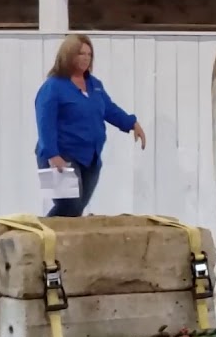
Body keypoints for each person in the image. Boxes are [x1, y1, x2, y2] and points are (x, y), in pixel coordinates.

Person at [34, 33, 147, 217]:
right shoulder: (53, 86)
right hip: (60, 156)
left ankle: (62, 243)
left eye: (89, 54)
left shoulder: (95, 85)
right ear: (68, 55)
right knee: (68, 208)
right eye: (81, 54)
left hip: (90, 158)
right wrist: (52, 155)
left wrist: (131, 123)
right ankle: (45, 240)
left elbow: (109, 110)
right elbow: (44, 122)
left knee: (76, 210)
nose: (86, 58)